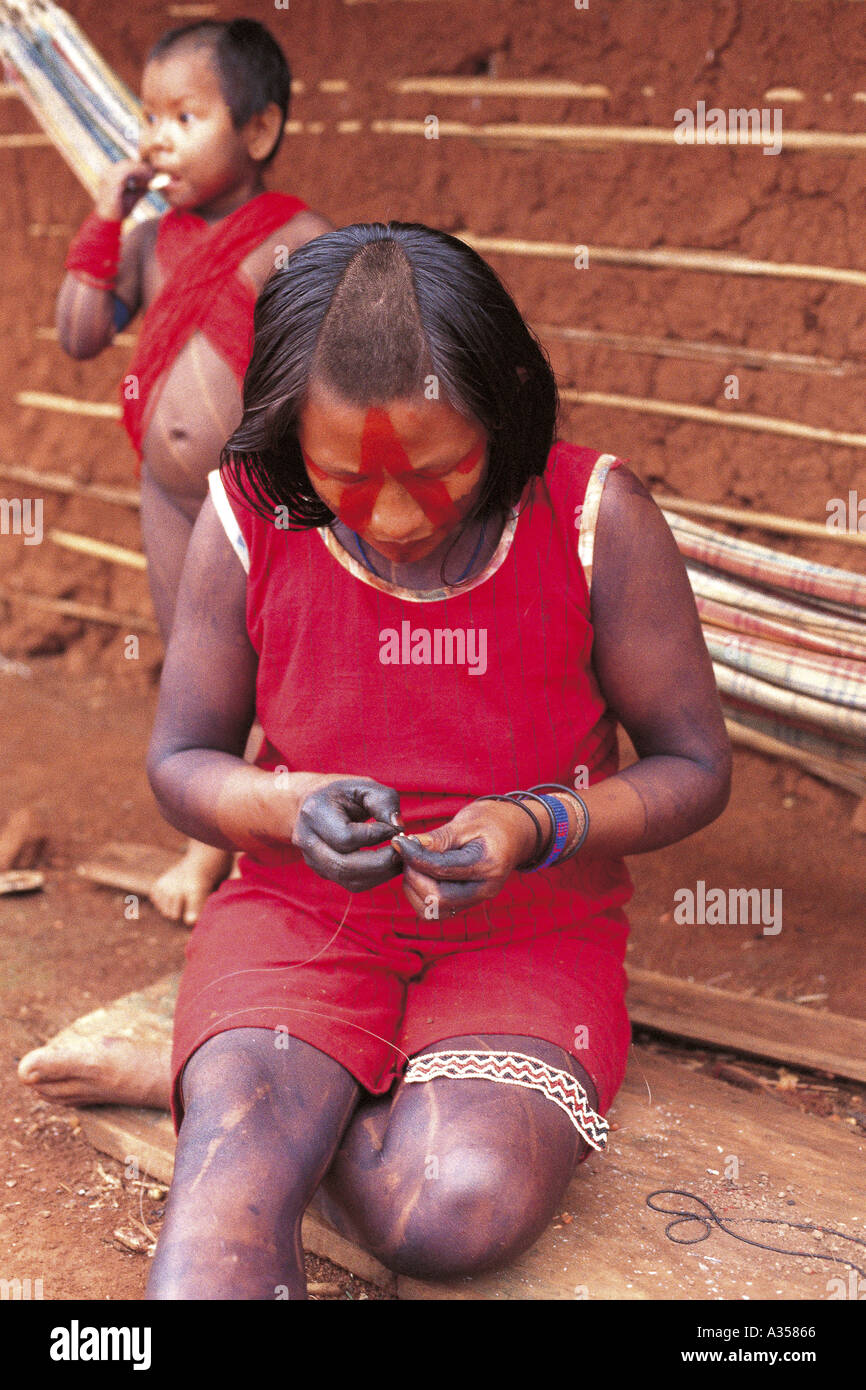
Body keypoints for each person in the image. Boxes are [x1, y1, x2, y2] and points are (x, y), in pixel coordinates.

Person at [138, 221, 732, 1298]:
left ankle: (260, 1094)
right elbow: (181, 757)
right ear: (284, 437)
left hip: (527, 928)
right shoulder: (251, 513)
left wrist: (535, 824)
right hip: (299, 914)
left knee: (453, 1207)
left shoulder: (594, 512)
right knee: (217, 1230)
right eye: (344, 478)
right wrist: (283, 805)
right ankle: (255, 1096)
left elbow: (692, 764)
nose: (398, 515)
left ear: (501, 404)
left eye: (439, 468)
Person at [53, 17, 331, 924]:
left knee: (275, 665)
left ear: (257, 132)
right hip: (170, 495)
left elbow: (339, 369)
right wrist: (105, 214)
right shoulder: (148, 237)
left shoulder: (294, 239)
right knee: (196, 665)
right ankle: (215, 835)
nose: (157, 136)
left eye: (186, 114)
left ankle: (255, 843)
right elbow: (80, 334)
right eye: (149, 115)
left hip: (262, 499)